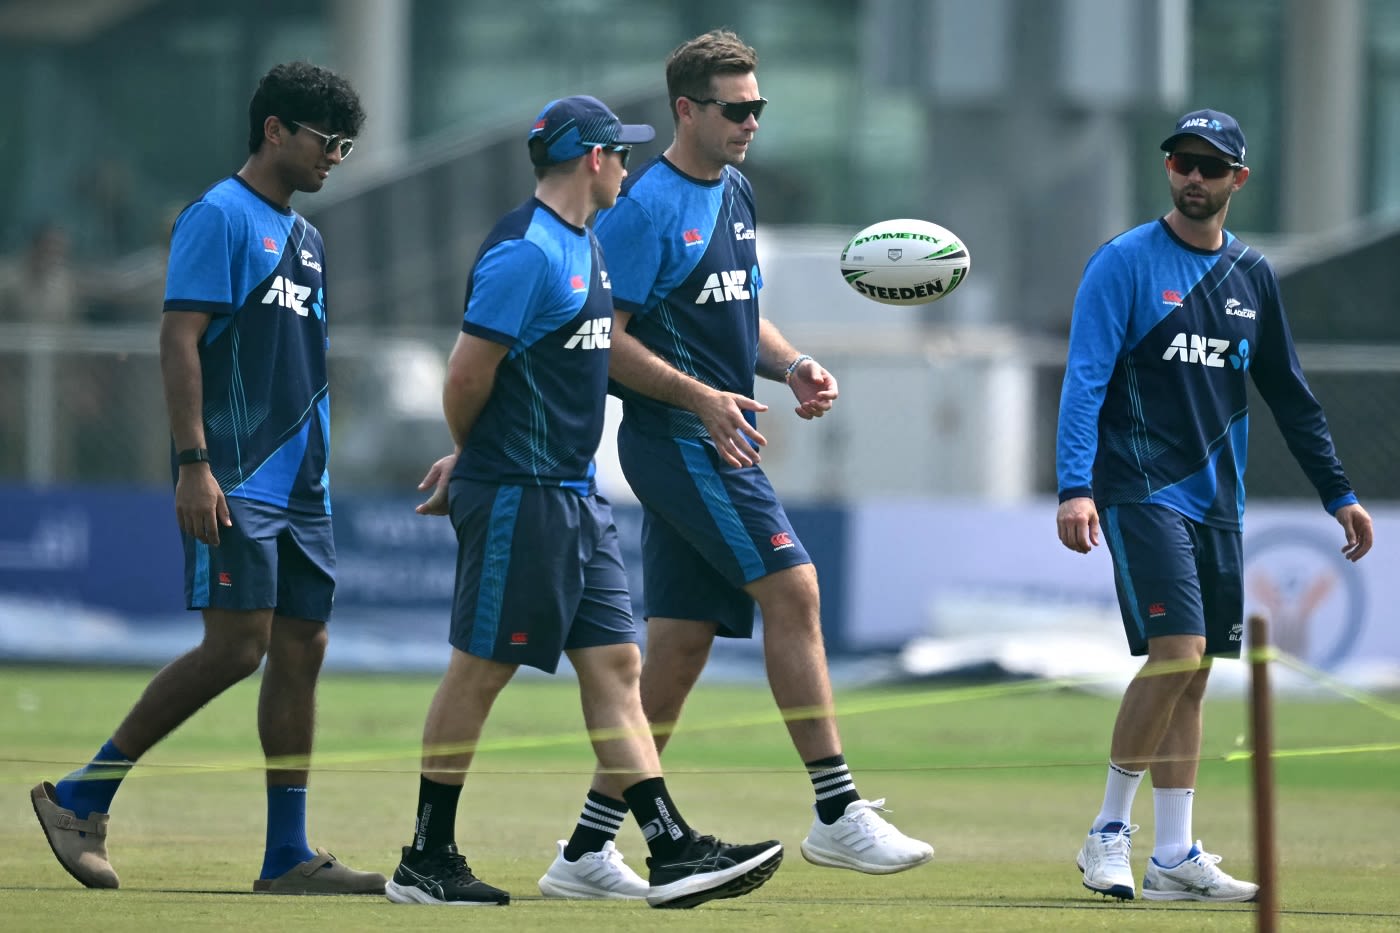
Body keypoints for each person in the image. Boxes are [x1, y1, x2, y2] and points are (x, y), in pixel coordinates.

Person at [536, 30, 932, 901]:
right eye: (736, 108)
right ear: (686, 109)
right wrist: (703, 397)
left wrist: (791, 365)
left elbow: (739, 316)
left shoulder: (738, 192)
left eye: (758, 107)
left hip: (719, 435)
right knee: (796, 591)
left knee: (675, 652)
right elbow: (607, 344)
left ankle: (585, 853)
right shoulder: (643, 209)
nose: (752, 121)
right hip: (681, 441)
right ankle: (837, 810)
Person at [387, 94, 784, 910]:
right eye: (621, 154)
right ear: (593, 161)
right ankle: (425, 857)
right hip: (520, 493)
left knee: (617, 664)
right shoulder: (527, 251)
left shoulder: (588, 248)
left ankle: (669, 847)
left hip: (574, 493)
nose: (631, 167)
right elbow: (465, 376)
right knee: (482, 669)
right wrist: (476, 456)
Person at [29, 61, 383, 896]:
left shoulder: (308, 238)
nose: (336, 156)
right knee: (237, 647)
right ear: (274, 131)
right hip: (236, 475)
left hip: (304, 488)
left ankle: (286, 854)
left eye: (346, 144)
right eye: (326, 141)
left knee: (304, 646)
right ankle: (80, 796)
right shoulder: (217, 216)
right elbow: (178, 339)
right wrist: (193, 463)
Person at [1056, 109, 1375, 903]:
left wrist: (1338, 491)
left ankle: (1174, 856)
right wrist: (1075, 484)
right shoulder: (1124, 263)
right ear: (1168, 170)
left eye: (1209, 165)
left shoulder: (1253, 276)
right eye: (1180, 163)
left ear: (1238, 178)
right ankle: (1106, 832)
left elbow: (1291, 398)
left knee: (1194, 678)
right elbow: (1085, 378)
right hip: (1139, 489)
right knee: (1175, 654)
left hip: (1217, 505)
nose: (1192, 177)